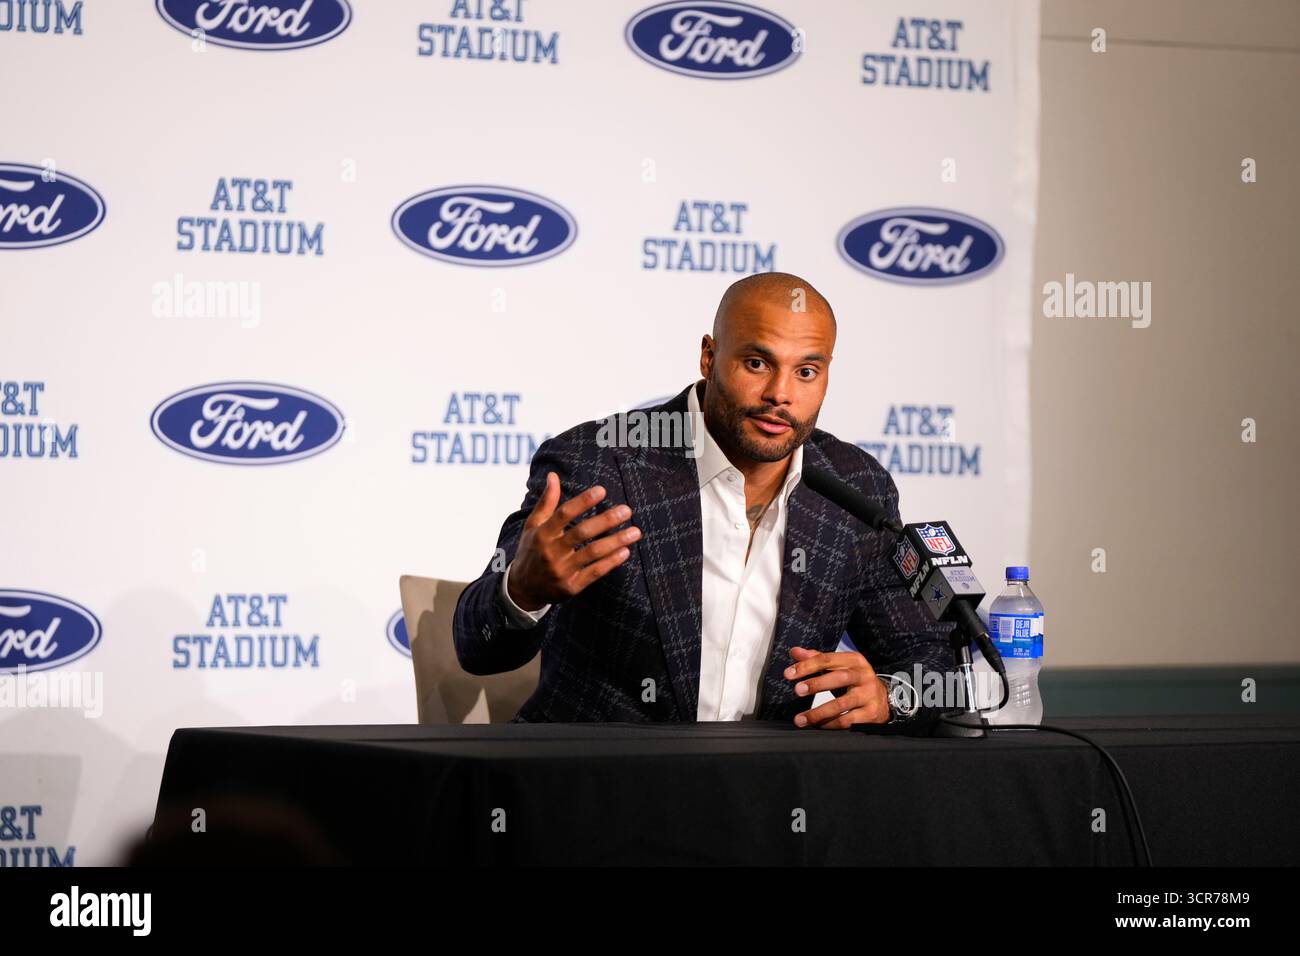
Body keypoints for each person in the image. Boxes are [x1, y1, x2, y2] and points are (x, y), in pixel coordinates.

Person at [453, 271, 955, 728]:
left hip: (770, 799)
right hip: (599, 794)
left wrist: (892, 696)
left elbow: (928, 654)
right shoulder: (598, 465)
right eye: (757, 363)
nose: (780, 393)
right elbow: (476, 646)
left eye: (806, 372)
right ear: (709, 356)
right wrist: (523, 593)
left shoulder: (856, 488)